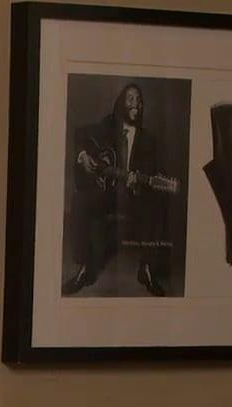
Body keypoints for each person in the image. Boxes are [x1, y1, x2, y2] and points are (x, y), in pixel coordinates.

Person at [62, 82, 173, 298]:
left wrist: (139, 182)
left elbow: (156, 172)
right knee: (79, 201)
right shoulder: (107, 125)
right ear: (121, 102)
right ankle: (85, 268)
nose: (136, 104)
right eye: (131, 98)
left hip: (133, 196)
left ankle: (146, 269)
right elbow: (80, 134)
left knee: (158, 203)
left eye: (139, 101)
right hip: (106, 193)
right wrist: (83, 156)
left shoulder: (149, 140)